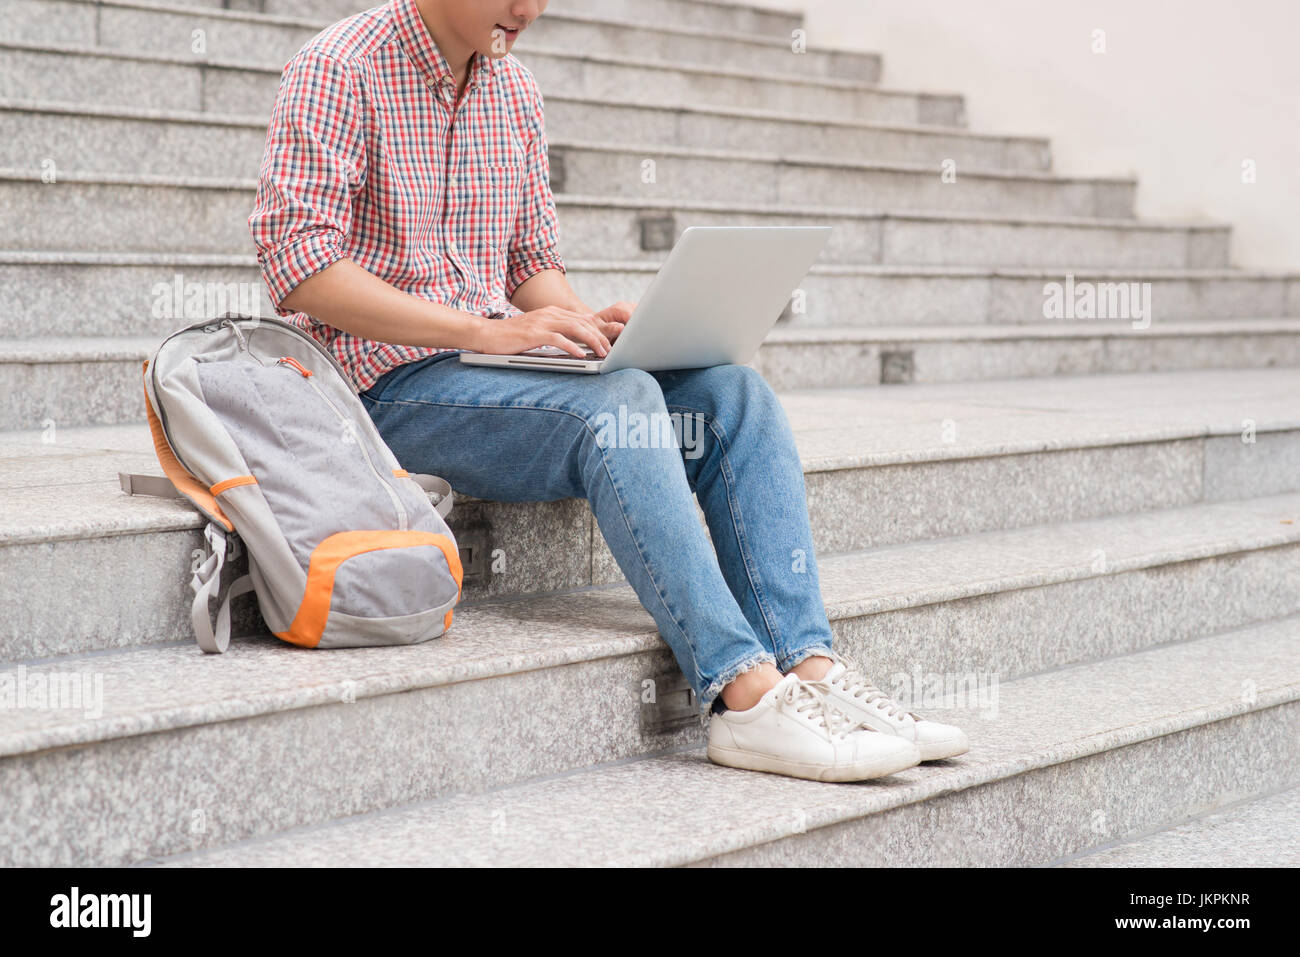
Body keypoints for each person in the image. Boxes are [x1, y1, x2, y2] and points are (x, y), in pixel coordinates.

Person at [248, 0, 968, 781]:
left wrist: (583, 326)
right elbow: (300, 266)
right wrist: (481, 330)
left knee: (735, 395)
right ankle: (741, 696)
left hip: (490, 370)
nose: (529, 9)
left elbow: (528, 259)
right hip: (382, 387)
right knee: (616, 408)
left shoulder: (513, 90)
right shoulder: (338, 68)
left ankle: (810, 670)